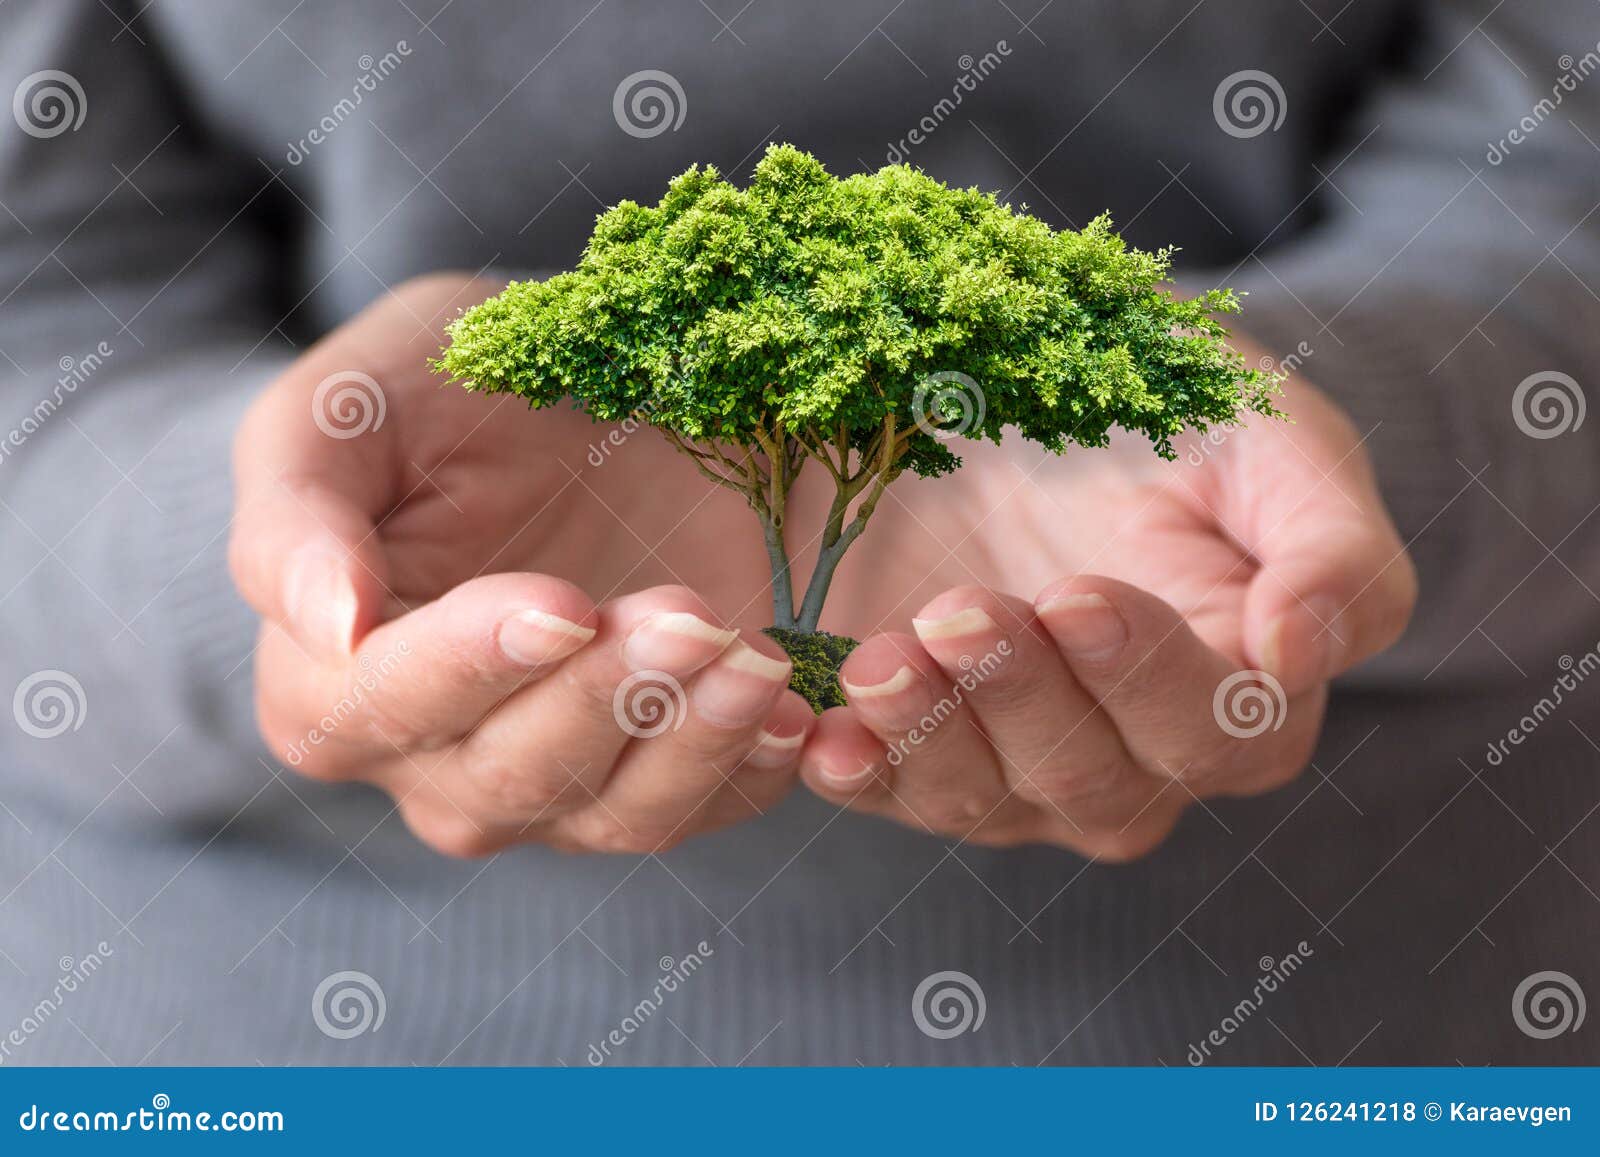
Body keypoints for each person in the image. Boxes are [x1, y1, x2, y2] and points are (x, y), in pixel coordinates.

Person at [0, 0, 1593, 1065]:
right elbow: (36, 307)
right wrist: (302, 558)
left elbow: (1559, 163)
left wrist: (1300, 443)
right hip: (260, 1031)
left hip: (1342, 1018)